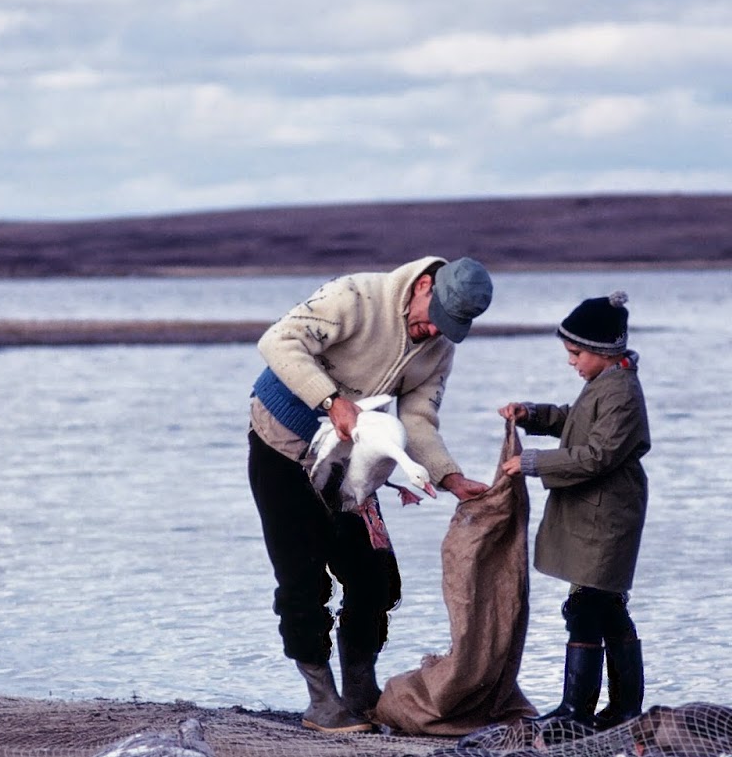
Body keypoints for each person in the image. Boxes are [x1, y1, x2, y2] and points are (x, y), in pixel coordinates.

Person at [249, 257, 494, 733]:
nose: (432, 331)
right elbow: (277, 341)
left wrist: (449, 476)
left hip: (352, 466)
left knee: (376, 578)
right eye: (434, 317)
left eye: (448, 327)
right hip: (282, 447)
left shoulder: (438, 348)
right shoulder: (355, 297)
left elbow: (418, 419)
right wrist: (330, 400)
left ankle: (360, 691)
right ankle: (322, 701)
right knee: (302, 580)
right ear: (423, 285)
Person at [498, 291, 650, 730]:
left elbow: (598, 455)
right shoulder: (606, 382)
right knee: (605, 607)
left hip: (609, 516)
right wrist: (532, 414)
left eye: (576, 353)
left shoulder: (621, 390)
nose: (571, 361)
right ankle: (621, 710)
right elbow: (573, 421)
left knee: (587, 607)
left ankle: (577, 711)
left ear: (604, 351)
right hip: (596, 512)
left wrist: (531, 463)